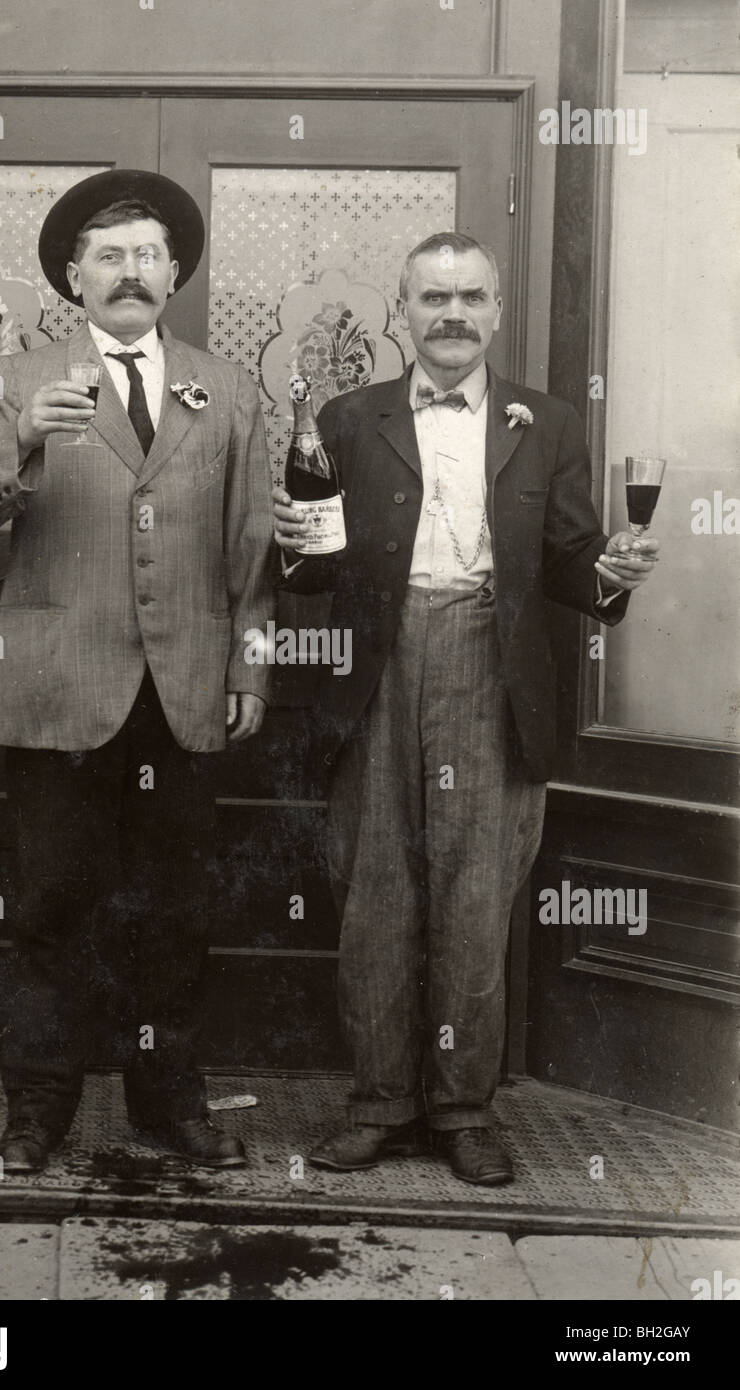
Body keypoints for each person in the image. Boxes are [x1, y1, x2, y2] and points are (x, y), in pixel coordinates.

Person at [273, 232, 658, 1185]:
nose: (452, 314)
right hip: (376, 668)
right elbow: (312, 573)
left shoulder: (549, 421)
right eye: (433, 297)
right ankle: (377, 1106)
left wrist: (610, 572)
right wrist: (291, 544)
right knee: (375, 897)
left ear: (495, 311)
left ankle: (462, 1111)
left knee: (476, 899)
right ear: (402, 311)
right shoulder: (347, 418)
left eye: (470, 298)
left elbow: (571, 563)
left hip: (493, 667)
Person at [0, 170, 275, 1173]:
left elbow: (251, 543)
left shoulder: (226, 386)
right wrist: (27, 438)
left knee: (175, 914)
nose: (129, 272)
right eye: (107, 256)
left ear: (174, 275)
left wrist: (251, 665)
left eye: (146, 255)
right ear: (74, 278)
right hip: (55, 690)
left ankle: (170, 1103)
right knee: (49, 911)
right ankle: (36, 1111)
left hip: (184, 691)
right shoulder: (17, 380)